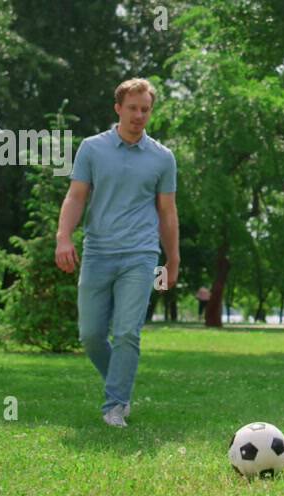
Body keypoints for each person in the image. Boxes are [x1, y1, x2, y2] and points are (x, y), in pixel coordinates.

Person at [54, 78, 179, 428]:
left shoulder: (162, 158)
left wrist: (173, 261)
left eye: (145, 109)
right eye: (133, 108)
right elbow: (76, 196)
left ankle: (115, 405)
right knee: (91, 335)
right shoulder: (92, 149)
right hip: (97, 252)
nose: (139, 115)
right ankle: (119, 384)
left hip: (140, 254)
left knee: (126, 332)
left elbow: (168, 213)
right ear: (118, 109)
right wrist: (64, 237)